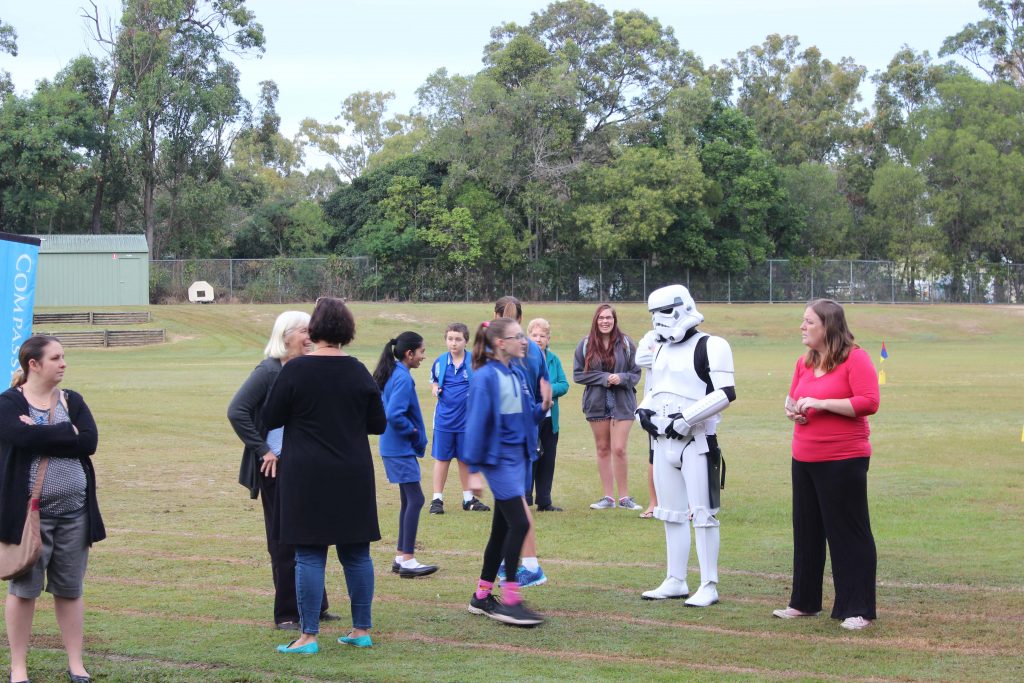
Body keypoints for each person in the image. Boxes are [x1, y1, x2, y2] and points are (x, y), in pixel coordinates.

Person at [262, 297, 386, 654]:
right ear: (346, 331)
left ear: (314, 330)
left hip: (306, 474)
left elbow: (270, 417)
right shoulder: (358, 370)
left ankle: (308, 636)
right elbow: (377, 423)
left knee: (309, 554)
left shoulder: (295, 371)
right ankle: (361, 628)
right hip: (352, 472)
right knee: (356, 553)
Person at [0, 335, 105, 683]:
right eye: (56, 357)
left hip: (76, 514)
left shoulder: (72, 400)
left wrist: (47, 430)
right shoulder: (9, 403)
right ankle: (19, 668)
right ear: (34, 364)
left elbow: (88, 442)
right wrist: (66, 433)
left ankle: (76, 664)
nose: (63, 363)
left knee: (70, 589)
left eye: (63, 357)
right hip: (29, 519)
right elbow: (21, 439)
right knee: (24, 590)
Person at [774, 299, 879, 631]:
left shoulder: (855, 359)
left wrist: (821, 403)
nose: (802, 327)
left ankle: (857, 607)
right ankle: (804, 602)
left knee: (848, 533)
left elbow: (868, 402)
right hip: (804, 456)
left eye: (809, 322)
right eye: (803, 321)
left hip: (843, 459)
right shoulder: (804, 362)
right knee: (807, 531)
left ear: (828, 327)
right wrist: (794, 410)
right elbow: (794, 400)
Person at [227, 311, 335, 631]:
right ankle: (287, 613)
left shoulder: (305, 368)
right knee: (284, 541)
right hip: (276, 468)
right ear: (286, 335)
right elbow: (237, 411)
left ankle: (318, 606)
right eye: (305, 330)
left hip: (305, 466)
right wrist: (264, 449)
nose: (311, 336)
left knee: (313, 534)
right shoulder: (269, 370)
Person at [635, 285, 736, 608]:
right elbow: (655, 388)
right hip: (664, 439)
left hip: (698, 441)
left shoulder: (712, 345)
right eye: (653, 314)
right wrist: (643, 414)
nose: (658, 321)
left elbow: (724, 393)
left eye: (663, 312)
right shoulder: (661, 349)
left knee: (703, 514)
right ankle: (675, 579)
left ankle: (709, 583)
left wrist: (686, 419)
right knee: (671, 513)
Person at [463, 318, 546, 626]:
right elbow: (475, 424)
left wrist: (544, 406)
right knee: (521, 523)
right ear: (500, 343)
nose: (523, 341)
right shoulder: (485, 377)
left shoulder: (517, 372)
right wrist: (472, 472)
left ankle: (482, 596)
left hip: (517, 459)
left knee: (502, 529)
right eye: (517, 337)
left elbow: (526, 418)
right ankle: (511, 599)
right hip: (497, 462)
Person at [491, 296, 550, 588]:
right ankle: (511, 559)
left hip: (505, 438)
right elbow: (543, 395)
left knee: (517, 503)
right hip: (527, 432)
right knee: (512, 503)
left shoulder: (499, 348)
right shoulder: (534, 349)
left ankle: (529, 564)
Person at [373, 331, 439, 579]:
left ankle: (401, 556)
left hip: (393, 448)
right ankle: (408, 559)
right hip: (399, 449)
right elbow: (394, 414)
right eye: (421, 352)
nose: (424, 356)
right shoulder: (401, 378)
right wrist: (412, 432)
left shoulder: (394, 373)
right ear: (409, 354)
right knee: (417, 499)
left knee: (408, 500)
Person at [573, 304, 643, 511]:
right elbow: (578, 374)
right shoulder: (585, 344)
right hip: (596, 403)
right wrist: (604, 377)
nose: (605, 321)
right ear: (596, 320)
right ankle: (608, 497)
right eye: (601, 318)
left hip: (623, 403)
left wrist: (620, 377)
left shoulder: (626, 343)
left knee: (619, 449)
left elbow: (636, 373)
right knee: (603, 449)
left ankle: (624, 498)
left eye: (609, 318)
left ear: (614, 320)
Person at [428, 323, 489, 514]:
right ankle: (437, 499)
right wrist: (434, 389)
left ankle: (468, 499)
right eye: (450, 339)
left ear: (466, 341)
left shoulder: (475, 361)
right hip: (444, 421)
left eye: (458, 339)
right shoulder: (440, 362)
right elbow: (434, 381)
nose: (453, 343)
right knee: (442, 459)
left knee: (465, 460)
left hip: (468, 423)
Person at [526, 318, 569, 512]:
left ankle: (544, 501)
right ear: (527, 337)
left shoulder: (554, 359)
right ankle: (525, 499)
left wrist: (549, 391)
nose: (538, 339)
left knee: (547, 458)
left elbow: (564, 384)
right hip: (531, 417)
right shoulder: (524, 360)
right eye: (534, 335)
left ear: (548, 338)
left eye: (542, 336)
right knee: (530, 457)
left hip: (551, 418)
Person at [634, 329, 661, 519]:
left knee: (684, 456)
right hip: (652, 406)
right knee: (654, 455)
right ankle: (654, 502)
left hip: (681, 406)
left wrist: (656, 353)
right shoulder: (650, 336)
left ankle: (692, 505)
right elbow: (640, 358)